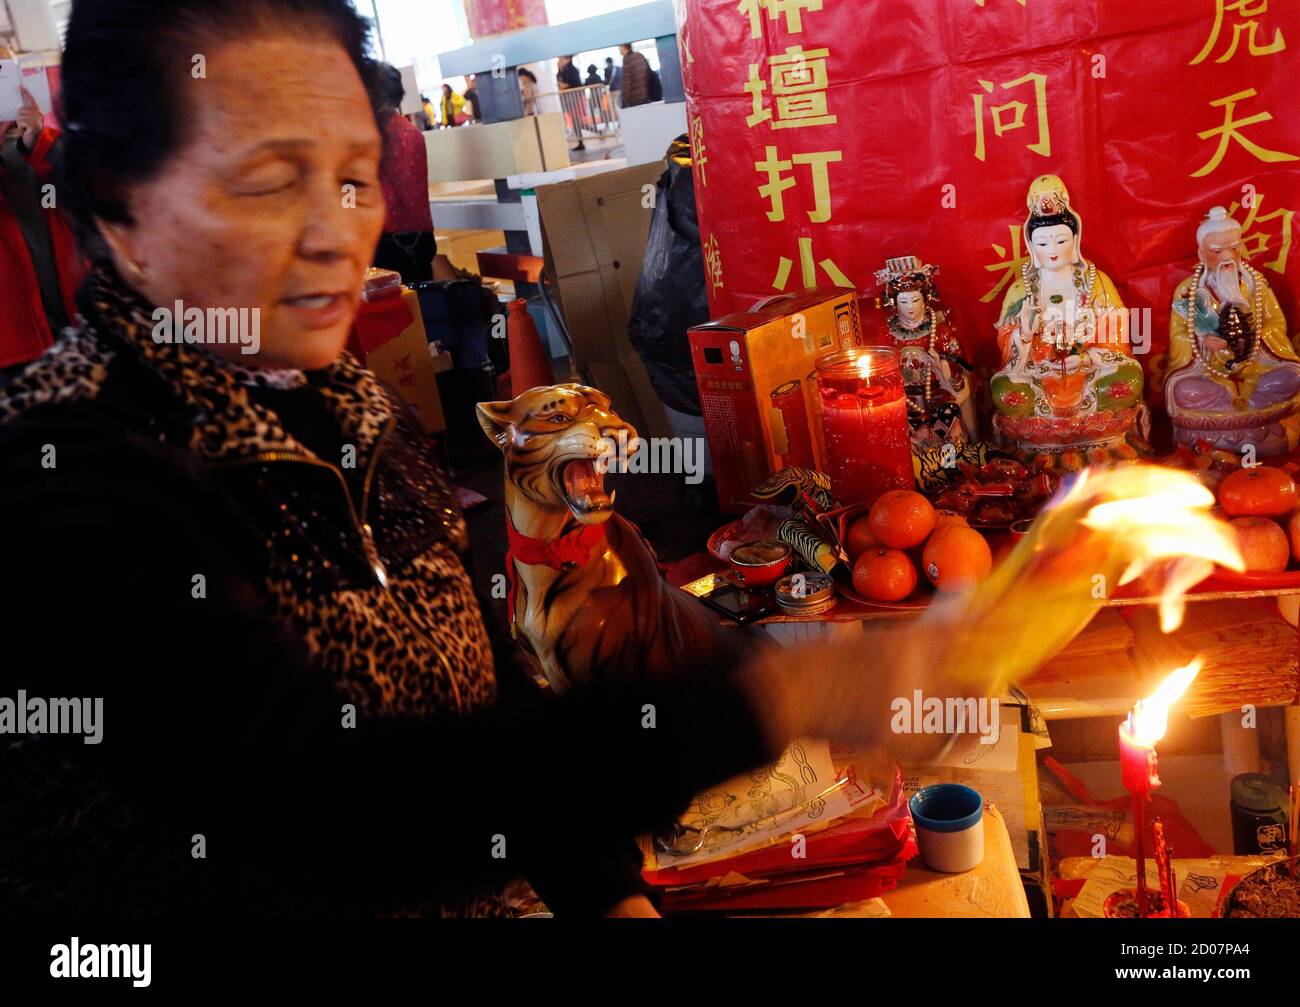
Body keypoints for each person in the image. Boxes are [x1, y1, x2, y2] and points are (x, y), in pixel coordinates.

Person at [0, 0, 972, 918]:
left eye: (353, 174)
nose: (336, 229)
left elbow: (473, 697)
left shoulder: (344, 405)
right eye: (266, 182)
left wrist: (599, 884)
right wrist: (775, 696)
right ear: (115, 197)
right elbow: (315, 802)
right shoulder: (66, 471)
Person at [0, 61, 83, 381]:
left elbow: (90, 193)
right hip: (14, 352)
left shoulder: (46, 145)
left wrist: (40, 143)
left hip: (76, 330)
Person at [372, 63, 438, 285]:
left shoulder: (367, 137)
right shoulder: (412, 133)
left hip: (383, 243)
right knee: (424, 307)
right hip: (420, 239)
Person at [619, 42, 652, 108]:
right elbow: (648, 73)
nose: (619, 50)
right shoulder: (640, 55)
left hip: (634, 97)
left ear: (624, 47)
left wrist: (623, 101)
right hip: (645, 94)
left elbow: (626, 82)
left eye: (619, 47)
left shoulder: (627, 59)